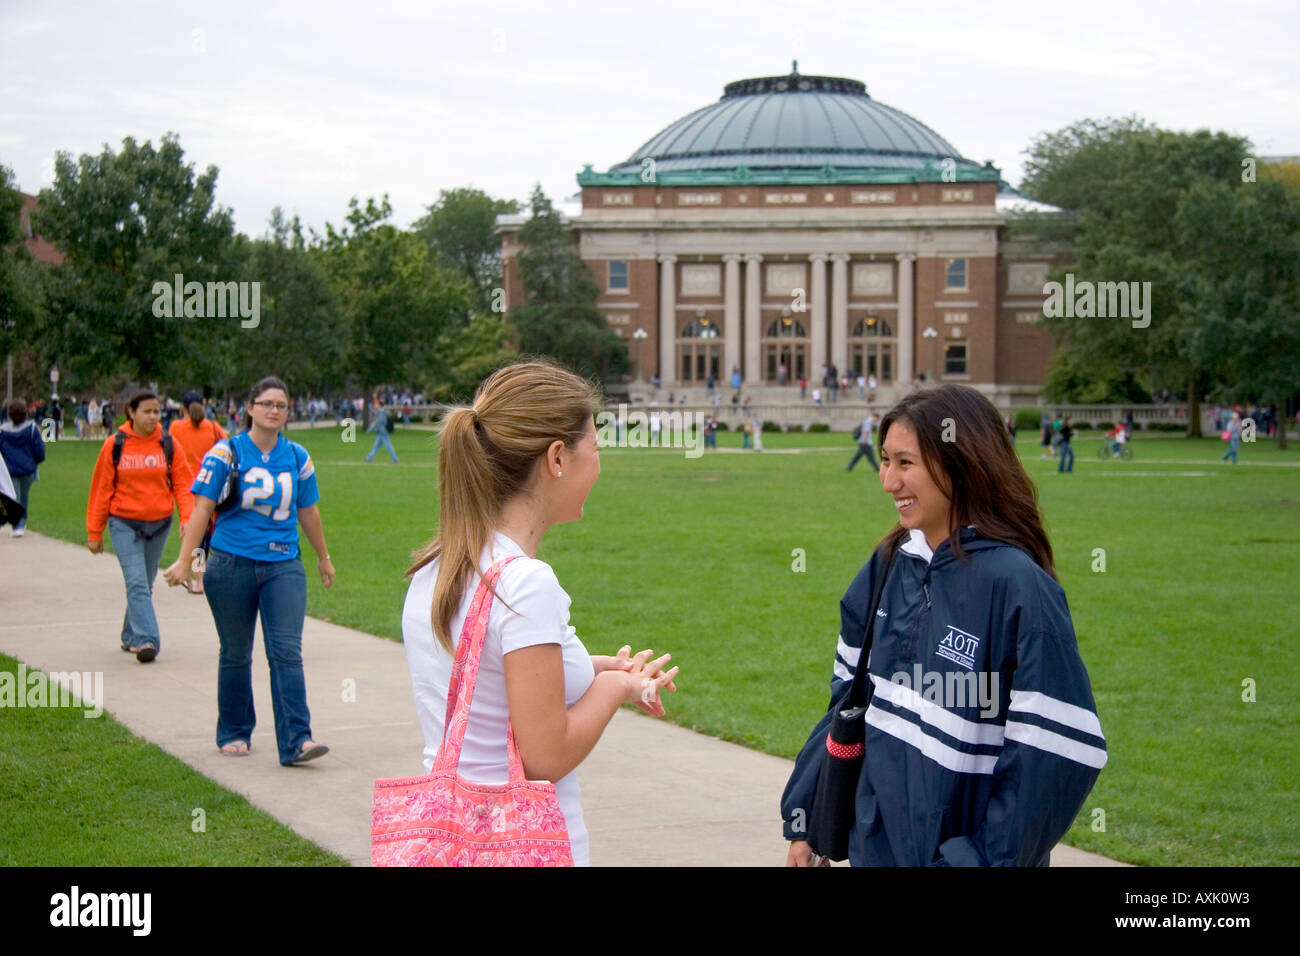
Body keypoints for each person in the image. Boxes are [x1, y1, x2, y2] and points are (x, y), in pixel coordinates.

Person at [782, 384, 1106, 866]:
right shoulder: (889, 563)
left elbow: (1055, 753)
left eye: (905, 463)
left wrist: (973, 861)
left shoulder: (1017, 587)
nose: (888, 481)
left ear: (963, 464)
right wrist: (810, 813)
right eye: (885, 460)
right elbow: (847, 701)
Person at [401, 361, 678, 866]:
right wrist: (615, 689)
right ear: (557, 458)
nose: (598, 464)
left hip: (449, 839)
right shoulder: (523, 584)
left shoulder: (437, 567)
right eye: (594, 448)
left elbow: (488, 676)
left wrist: (599, 668)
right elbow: (545, 755)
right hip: (517, 842)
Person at [162, 376, 335, 764]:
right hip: (230, 564)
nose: (275, 411)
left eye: (282, 405)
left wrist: (322, 556)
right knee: (237, 653)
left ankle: (297, 740)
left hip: (283, 566)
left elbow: (308, 511)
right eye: (267, 403)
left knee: (287, 652)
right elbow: (202, 508)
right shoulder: (226, 453)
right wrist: (185, 559)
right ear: (250, 409)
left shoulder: (297, 457)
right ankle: (235, 730)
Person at [86, 391, 195, 662]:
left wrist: (186, 518)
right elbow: (102, 489)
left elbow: (183, 483)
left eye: (157, 412)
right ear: (131, 413)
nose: (153, 417)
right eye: (147, 411)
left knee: (144, 584)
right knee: (136, 583)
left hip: (159, 524)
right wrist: (94, 531)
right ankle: (147, 639)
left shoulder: (169, 443)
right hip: (124, 523)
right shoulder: (115, 444)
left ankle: (129, 635)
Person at [170, 390, 229, 594]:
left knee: (193, 531)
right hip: (211, 486)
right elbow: (229, 448)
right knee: (204, 535)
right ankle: (197, 576)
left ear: (183, 408)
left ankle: (197, 578)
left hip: (187, 488)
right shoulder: (213, 428)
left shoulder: (176, 428)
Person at [0, 399, 46, 537]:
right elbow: (39, 451)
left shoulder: (3, 432)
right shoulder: (31, 429)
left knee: (14, 496)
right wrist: (34, 463)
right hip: (27, 469)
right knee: (23, 497)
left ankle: (17, 524)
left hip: (10, 470)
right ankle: (20, 523)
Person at [364, 397, 399, 464]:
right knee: (376, 446)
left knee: (388, 446)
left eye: (377, 404)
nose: (376, 405)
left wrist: (371, 429)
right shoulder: (382, 412)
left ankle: (395, 459)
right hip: (381, 432)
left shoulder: (382, 413)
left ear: (380, 405)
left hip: (383, 432)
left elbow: (379, 422)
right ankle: (369, 458)